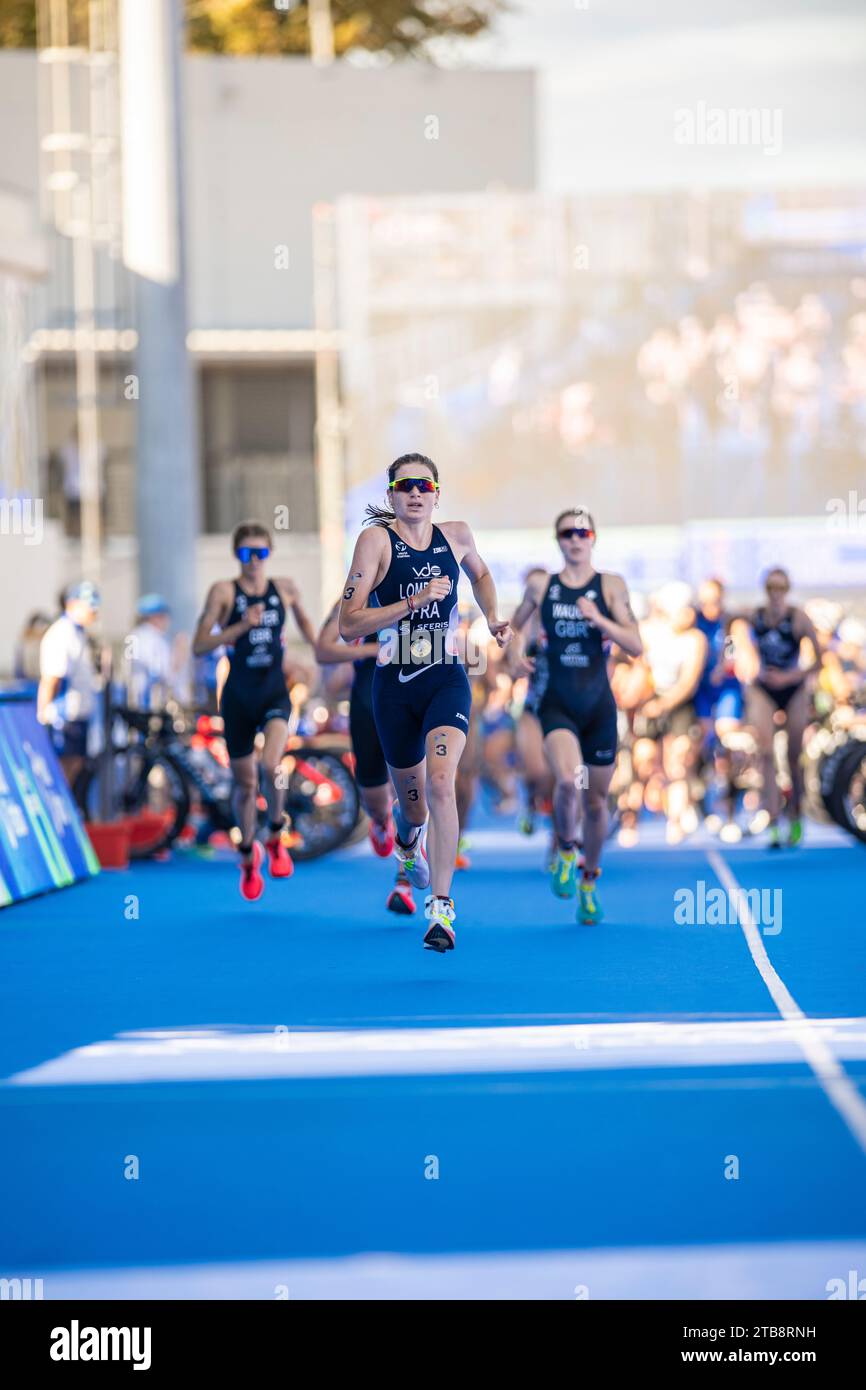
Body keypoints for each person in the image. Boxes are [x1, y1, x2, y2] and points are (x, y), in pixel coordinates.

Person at [339, 453, 511, 953]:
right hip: (392, 686)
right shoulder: (374, 542)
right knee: (413, 810)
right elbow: (349, 623)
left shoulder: (456, 535)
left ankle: (441, 908)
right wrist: (411, 603)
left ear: (437, 493)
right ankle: (408, 841)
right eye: (405, 485)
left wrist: (493, 615)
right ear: (392, 495)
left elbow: (479, 574)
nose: (416, 493)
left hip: (445, 678)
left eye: (425, 485)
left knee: (442, 783)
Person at [510, 507, 643, 924]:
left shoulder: (611, 585)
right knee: (567, 782)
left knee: (598, 801)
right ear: (558, 540)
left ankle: (589, 881)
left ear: (593, 539)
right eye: (567, 533)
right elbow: (513, 627)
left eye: (582, 532)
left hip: (599, 706)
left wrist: (599, 618)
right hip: (557, 703)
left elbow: (636, 645)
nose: (575, 539)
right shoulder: (541, 586)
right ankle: (567, 847)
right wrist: (515, 653)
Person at [192, 522, 316, 900]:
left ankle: (277, 832)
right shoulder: (224, 592)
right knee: (245, 783)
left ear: (269, 555)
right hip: (238, 699)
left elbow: (307, 624)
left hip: (274, 692)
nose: (254, 561)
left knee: (271, 766)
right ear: (237, 556)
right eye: (247, 554)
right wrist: (240, 627)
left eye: (261, 553)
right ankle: (248, 854)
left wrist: (326, 653)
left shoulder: (286, 588)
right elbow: (200, 644)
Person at [315, 600, 415, 914]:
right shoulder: (358, 595)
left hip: (412, 698)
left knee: (412, 796)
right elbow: (324, 649)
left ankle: (404, 880)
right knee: (376, 797)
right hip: (367, 701)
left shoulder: (424, 586)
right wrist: (369, 651)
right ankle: (380, 820)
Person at [746, 567, 822, 847]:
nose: (775, 594)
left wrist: (790, 677)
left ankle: (796, 815)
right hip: (765, 685)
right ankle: (773, 818)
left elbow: (818, 660)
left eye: (780, 588)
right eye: (771, 588)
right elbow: (733, 636)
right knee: (765, 753)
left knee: (793, 755)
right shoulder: (756, 616)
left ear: (787, 589)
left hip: (792, 686)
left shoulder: (798, 617)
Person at [635, 583, 707, 845]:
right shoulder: (647, 632)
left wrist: (663, 705)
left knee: (679, 760)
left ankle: (675, 819)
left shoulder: (695, 640)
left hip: (678, 702)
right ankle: (656, 788)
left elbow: (689, 682)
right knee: (645, 758)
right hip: (650, 699)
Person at [693, 578, 749, 842]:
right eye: (705, 600)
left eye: (714, 600)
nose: (709, 606)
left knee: (729, 742)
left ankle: (730, 807)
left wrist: (722, 667)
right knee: (705, 743)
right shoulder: (694, 620)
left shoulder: (730, 624)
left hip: (727, 690)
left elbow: (734, 654)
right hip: (702, 691)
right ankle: (704, 799)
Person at [37, 581, 100, 790]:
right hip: (63, 716)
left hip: (78, 714)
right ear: (72, 604)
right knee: (62, 768)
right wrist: (44, 713)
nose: (94, 611)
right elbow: (52, 679)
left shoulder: (79, 634)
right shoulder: (61, 634)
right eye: (89, 606)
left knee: (75, 765)